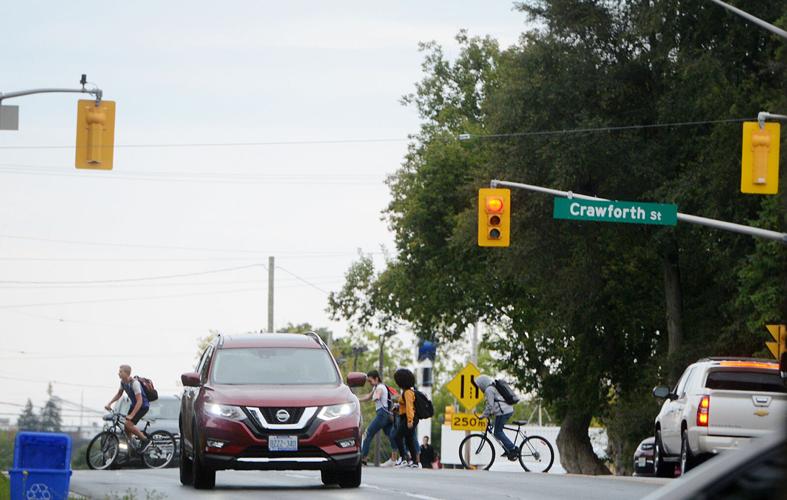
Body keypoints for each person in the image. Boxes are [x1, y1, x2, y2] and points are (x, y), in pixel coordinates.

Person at [357, 370, 400, 466]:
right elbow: (368, 396)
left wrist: (376, 396)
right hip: (387, 414)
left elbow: (377, 395)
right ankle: (394, 458)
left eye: (370, 380)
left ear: (376, 378)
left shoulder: (380, 387)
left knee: (368, 433)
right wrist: (356, 399)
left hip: (382, 414)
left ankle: (363, 457)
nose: (369, 383)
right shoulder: (377, 387)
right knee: (391, 435)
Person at [105, 364, 151, 452]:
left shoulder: (134, 383)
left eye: (120, 372)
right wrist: (109, 404)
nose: (118, 373)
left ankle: (145, 440)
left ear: (126, 373)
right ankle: (135, 446)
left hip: (142, 406)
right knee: (126, 429)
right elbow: (119, 394)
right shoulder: (123, 382)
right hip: (134, 405)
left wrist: (131, 415)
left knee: (128, 424)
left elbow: (140, 401)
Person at [475, 375, 517, 460]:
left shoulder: (489, 390)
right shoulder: (493, 387)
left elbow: (490, 405)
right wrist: (490, 414)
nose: (479, 389)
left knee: (497, 432)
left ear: (482, 384)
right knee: (497, 430)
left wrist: (483, 415)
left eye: (479, 386)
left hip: (503, 412)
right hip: (506, 410)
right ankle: (508, 448)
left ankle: (513, 448)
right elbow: (495, 403)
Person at [393, 368, 419, 468]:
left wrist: (409, 420)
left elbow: (409, 407)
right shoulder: (406, 392)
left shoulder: (408, 392)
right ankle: (414, 462)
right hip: (407, 417)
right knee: (409, 439)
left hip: (409, 418)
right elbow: (405, 406)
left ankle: (404, 459)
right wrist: (398, 408)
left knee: (397, 436)